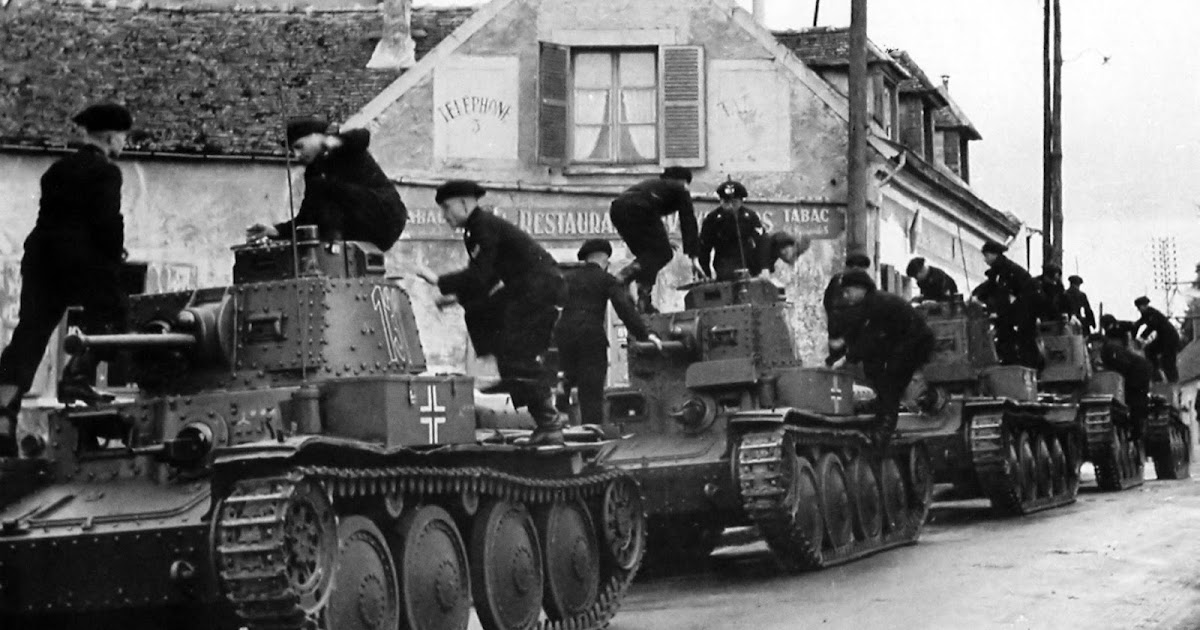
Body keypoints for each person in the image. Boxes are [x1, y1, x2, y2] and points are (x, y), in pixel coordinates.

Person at [0, 103, 134, 455]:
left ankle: (3, 412)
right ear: (109, 136)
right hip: (82, 259)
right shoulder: (106, 173)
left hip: (42, 258)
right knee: (114, 315)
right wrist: (116, 256)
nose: (125, 143)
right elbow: (108, 223)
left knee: (30, 332)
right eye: (123, 136)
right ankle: (77, 378)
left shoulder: (56, 170)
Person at [416, 180, 566, 445]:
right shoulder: (476, 229)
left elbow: (480, 275)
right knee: (480, 311)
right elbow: (486, 280)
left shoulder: (482, 226)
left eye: (447, 208)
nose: (444, 216)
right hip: (527, 287)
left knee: (516, 350)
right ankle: (508, 373)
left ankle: (548, 420)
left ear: (464, 203)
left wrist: (440, 281)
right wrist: (454, 299)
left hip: (538, 287)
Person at [247, 117, 407, 251]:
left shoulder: (344, 149)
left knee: (325, 187)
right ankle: (334, 245)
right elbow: (308, 215)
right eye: (293, 151)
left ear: (316, 136)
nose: (296, 155)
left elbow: (363, 136)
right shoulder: (314, 172)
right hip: (361, 228)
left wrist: (337, 140)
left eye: (299, 146)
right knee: (321, 195)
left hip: (386, 214)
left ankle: (333, 241)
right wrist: (277, 231)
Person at [553, 239, 661, 425]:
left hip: (565, 333)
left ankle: (557, 420)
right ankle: (591, 434)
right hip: (590, 336)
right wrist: (645, 334)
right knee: (591, 389)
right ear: (605, 261)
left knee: (565, 377)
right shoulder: (606, 279)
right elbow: (624, 309)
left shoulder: (568, 278)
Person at [838, 269, 936, 447]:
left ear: (861, 288)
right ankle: (880, 412)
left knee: (891, 385)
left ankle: (883, 434)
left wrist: (847, 358)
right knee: (878, 377)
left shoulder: (877, 303)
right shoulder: (869, 304)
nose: (846, 296)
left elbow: (870, 336)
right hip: (899, 344)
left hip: (914, 344)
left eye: (848, 291)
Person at [608, 167, 700, 313]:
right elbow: (688, 221)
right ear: (683, 182)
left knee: (649, 257)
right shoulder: (680, 189)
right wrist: (694, 256)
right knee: (664, 254)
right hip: (640, 208)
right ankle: (623, 278)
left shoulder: (653, 185)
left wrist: (660, 242)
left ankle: (643, 300)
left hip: (618, 210)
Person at [971, 240, 1041, 369]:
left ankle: (1028, 369)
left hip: (1022, 313)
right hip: (1012, 313)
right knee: (1006, 339)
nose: (985, 260)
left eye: (986, 256)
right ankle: (1012, 365)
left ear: (994, 254)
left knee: (1021, 341)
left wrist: (1008, 309)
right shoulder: (999, 270)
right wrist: (976, 294)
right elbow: (989, 286)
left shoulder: (1008, 270)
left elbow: (1009, 291)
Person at [1088, 332, 1153, 439]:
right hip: (1137, 372)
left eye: (1093, 344)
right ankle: (1137, 430)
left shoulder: (1109, 350)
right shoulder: (1108, 349)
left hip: (1138, 373)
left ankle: (1137, 432)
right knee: (1134, 402)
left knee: (1135, 401)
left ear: (1099, 343)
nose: (1092, 347)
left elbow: (1124, 364)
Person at [698, 180, 763, 281]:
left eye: (734, 202)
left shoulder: (750, 217)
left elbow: (761, 242)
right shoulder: (713, 219)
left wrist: (763, 269)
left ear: (741, 201)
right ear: (721, 201)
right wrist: (705, 274)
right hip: (724, 267)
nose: (730, 206)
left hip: (749, 267)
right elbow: (704, 249)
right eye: (726, 202)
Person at [823, 253, 871, 366]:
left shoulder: (840, 280)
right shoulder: (840, 281)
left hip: (846, 324)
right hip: (842, 324)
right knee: (840, 356)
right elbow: (831, 303)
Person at [1133, 296, 1180, 383]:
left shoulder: (1153, 314)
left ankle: (1173, 380)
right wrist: (1132, 331)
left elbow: (1152, 326)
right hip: (1162, 338)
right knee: (1149, 350)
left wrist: (1142, 337)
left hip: (1170, 338)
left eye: (1140, 307)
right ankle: (1156, 375)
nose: (1139, 310)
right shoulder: (1146, 314)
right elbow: (1138, 324)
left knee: (1168, 360)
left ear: (1144, 306)